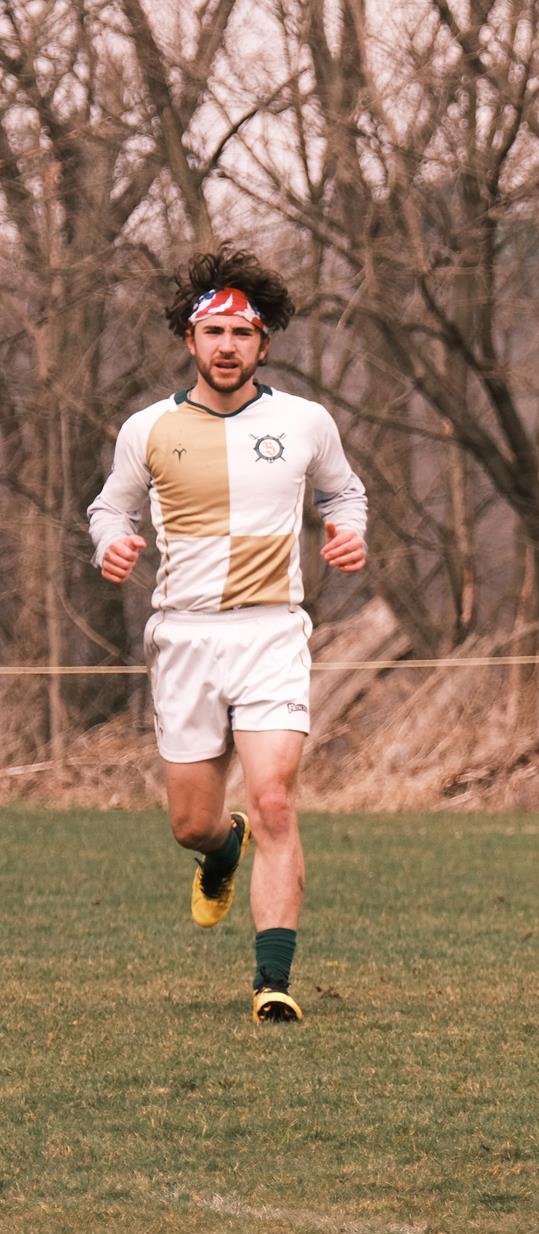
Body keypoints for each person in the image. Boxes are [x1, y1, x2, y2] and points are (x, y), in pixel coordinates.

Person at [87, 248, 368, 1023]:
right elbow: (112, 508)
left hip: (272, 631)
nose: (226, 346)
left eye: (241, 333)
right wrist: (109, 542)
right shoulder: (147, 430)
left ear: (262, 344)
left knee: (276, 799)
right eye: (212, 331)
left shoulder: (305, 421)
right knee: (191, 823)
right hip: (185, 637)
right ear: (190, 339)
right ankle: (221, 847)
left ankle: (272, 982)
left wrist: (347, 530)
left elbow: (347, 491)